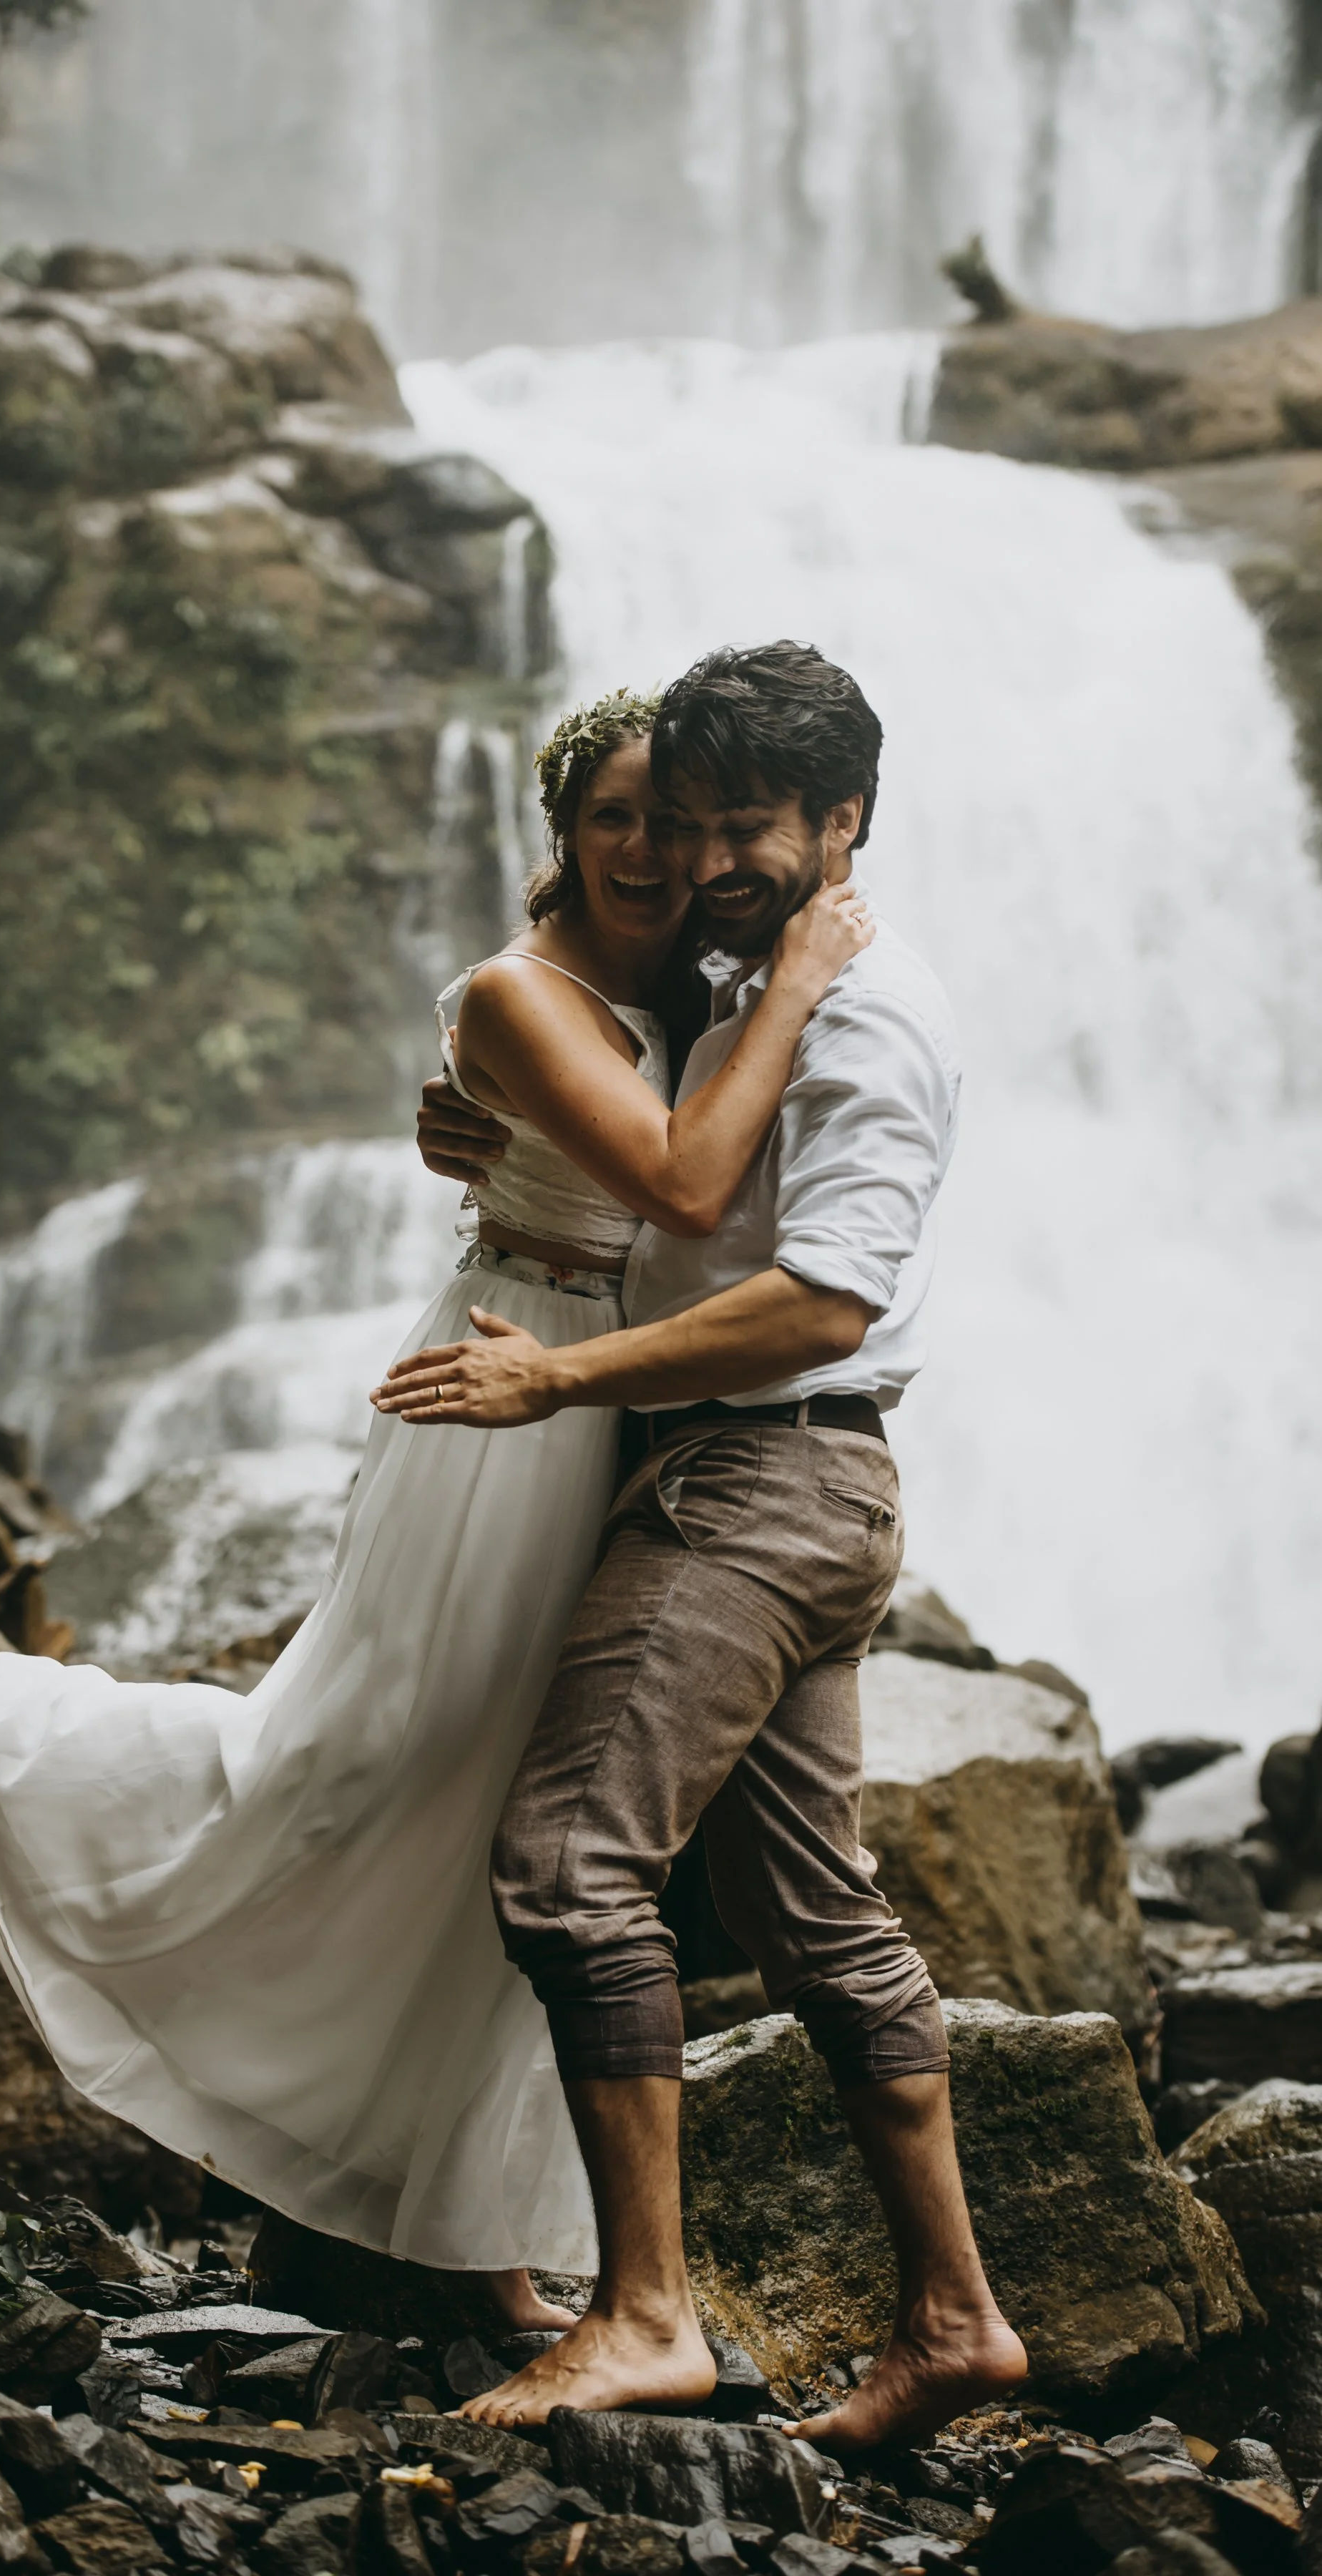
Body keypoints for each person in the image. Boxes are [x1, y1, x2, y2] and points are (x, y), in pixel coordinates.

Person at [0, 685, 870, 2323]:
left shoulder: (690, 981)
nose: (656, 845)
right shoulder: (520, 995)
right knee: (370, 1751)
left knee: (513, 1803)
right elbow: (677, 1178)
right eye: (617, 814)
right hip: (498, 1391)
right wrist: (789, 983)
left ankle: (432, 2234)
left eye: (677, 819)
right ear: (560, 831)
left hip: (617, 1403)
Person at [377, 640, 1027, 2445]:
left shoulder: (869, 1009)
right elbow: (655, 1163)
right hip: (773, 1485)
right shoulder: (740, 974)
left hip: (758, 1482)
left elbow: (821, 1302)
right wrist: (487, 1139)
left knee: (572, 1864)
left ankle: (643, 2314)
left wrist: (560, 1382)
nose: (715, 856)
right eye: (690, 820)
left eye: (754, 825)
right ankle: (957, 2322)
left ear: (848, 822)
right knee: (814, 1914)